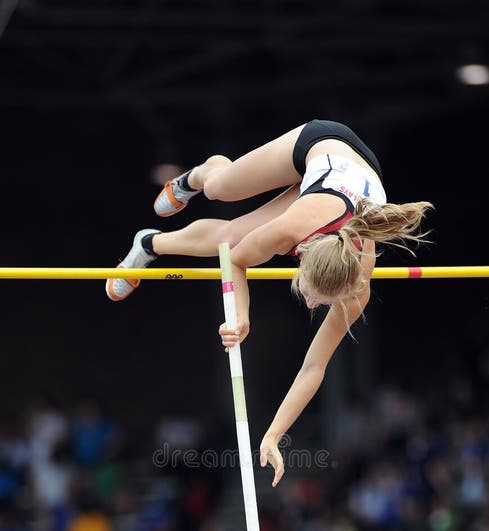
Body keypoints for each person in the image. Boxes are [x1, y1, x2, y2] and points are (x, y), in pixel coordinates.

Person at [106, 119, 432, 486]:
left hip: (345, 181)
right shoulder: (291, 228)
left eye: (320, 302)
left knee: (230, 234)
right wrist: (242, 315)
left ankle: (148, 243)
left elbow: (314, 367)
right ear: (303, 256)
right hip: (319, 144)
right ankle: (197, 176)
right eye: (312, 294)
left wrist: (275, 433)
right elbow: (235, 259)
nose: (311, 305)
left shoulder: (359, 288)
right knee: (220, 192)